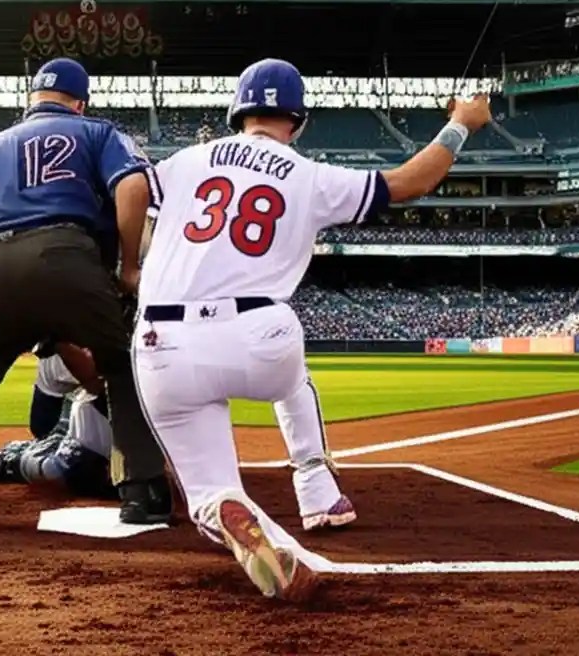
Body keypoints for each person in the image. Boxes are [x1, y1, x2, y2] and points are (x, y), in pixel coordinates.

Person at [128, 58, 492, 601]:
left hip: (165, 342)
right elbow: (411, 182)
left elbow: (132, 190)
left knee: (209, 492)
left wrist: (130, 264)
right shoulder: (309, 175)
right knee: (293, 376)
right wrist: (461, 123)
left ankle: (235, 514)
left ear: (237, 113)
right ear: (297, 121)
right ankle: (316, 488)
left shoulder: (184, 161)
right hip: (261, 334)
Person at [0, 57, 170, 525]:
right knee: (124, 363)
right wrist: (129, 267)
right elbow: (134, 185)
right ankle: (142, 491)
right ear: (80, 103)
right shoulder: (97, 132)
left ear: (31, 100)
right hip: (69, 260)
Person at [0, 342, 115, 499]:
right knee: (63, 468)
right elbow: (43, 423)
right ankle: (6, 462)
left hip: (123, 411)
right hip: (85, 404)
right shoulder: (57, 361)